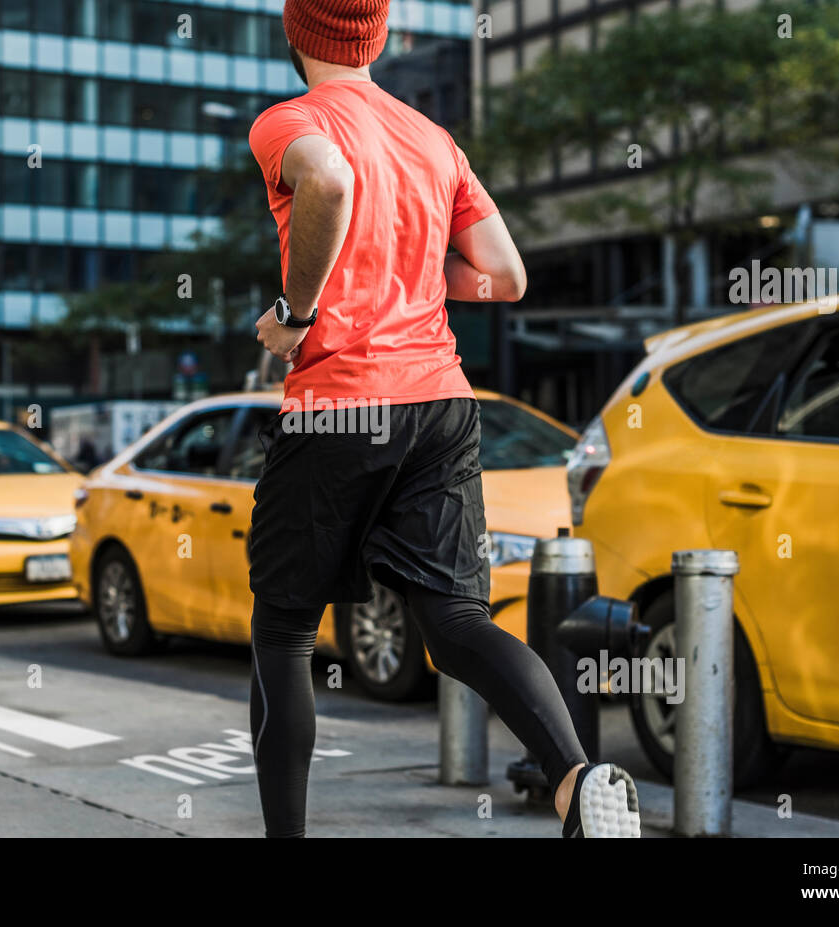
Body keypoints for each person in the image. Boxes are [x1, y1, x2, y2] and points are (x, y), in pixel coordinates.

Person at [246, 0, 642, 839]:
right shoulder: (433, 139)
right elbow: (504, 275)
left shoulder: (292, 120)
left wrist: (296, 310)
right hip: (441, 403)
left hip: (340, 404)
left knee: (283, 628)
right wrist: (422, 275)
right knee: (458, 623)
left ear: (295, 34)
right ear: (377, 38)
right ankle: (577, 779)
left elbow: (327, 180)